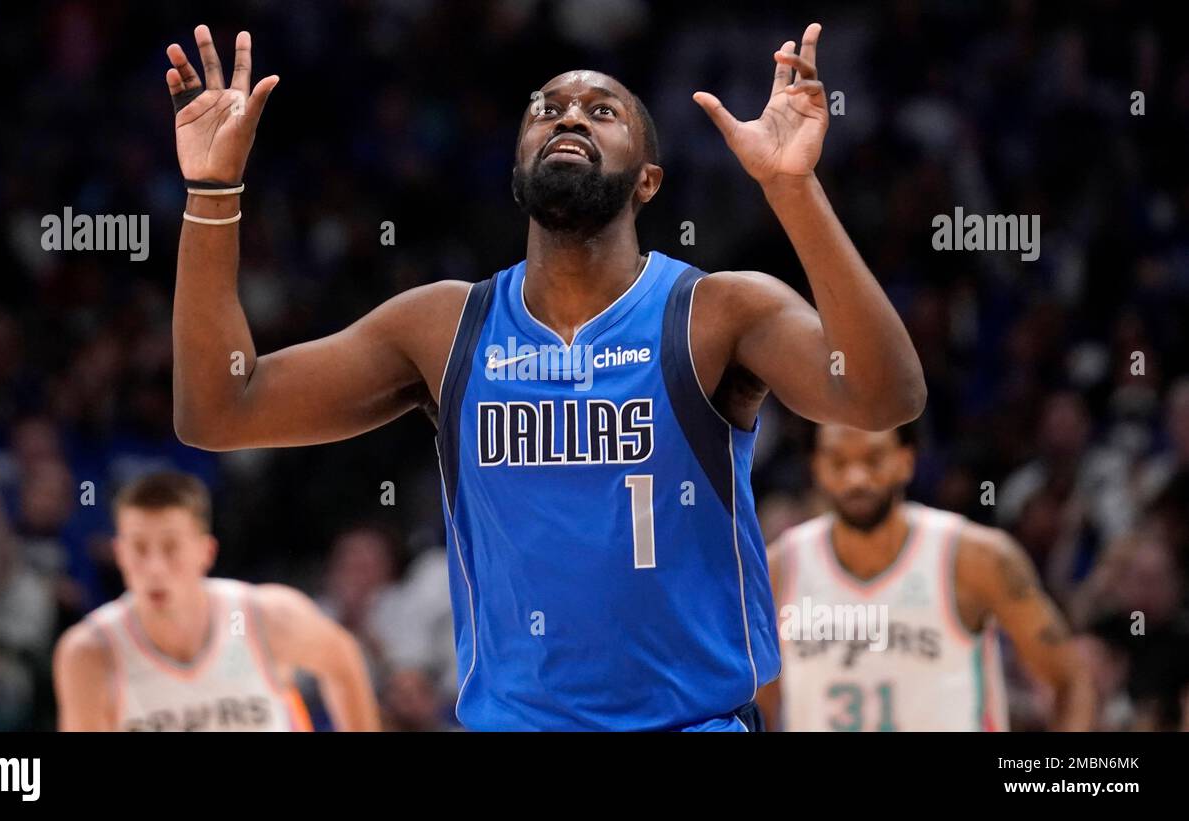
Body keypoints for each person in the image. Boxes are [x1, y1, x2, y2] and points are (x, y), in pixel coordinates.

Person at [164, 22, 924, 730]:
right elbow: (220, 408)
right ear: (518, 163)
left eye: (602, 111)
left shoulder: (717, 312)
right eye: (546, 109)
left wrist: (793, 189)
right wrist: (211, 196)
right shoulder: (441, 327)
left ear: (649, 181)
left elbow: (885, 394)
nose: (568, 118)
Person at [759, 424, 1095, 731]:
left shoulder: (975, 558)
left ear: (906, 460)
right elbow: (761, 710)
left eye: (874, 458)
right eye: (837, 460)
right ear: (815, 466)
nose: (857, 478)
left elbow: (1071, 680)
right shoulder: (779, 570)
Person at [53, 471, 380, 731]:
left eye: (170, 547)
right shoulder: (90, 651)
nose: (154, 568)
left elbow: (344, 662)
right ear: (119, 554)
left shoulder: (266, 616)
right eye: (139, 548)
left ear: (205, 551)